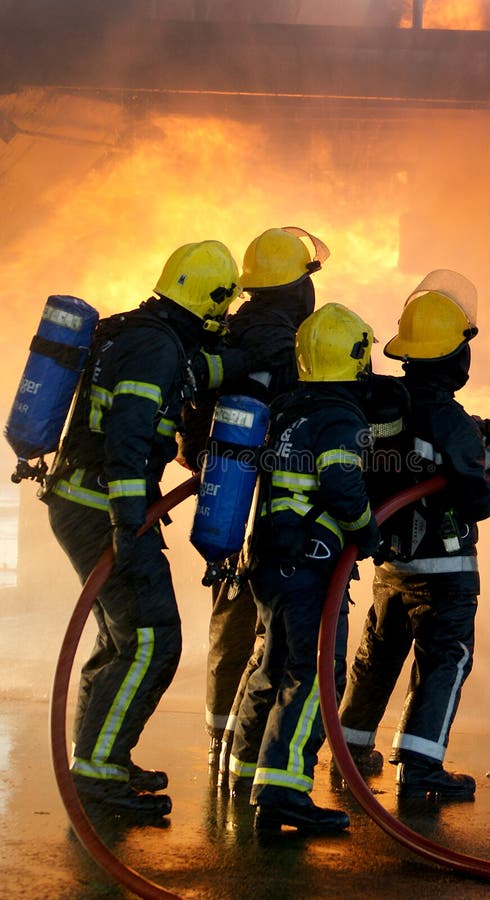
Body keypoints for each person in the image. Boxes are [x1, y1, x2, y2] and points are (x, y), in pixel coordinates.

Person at [45, 240, 254, 820]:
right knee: (151, 639)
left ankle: (99, 760)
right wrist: (127, 522)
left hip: (84, 499)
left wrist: (254, 358)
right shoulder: (155, 348)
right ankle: (98, 779)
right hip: (102, 506)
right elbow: (130, 436)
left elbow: (200, 370)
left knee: (121, 638)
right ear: (208, 298)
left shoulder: (142, 334)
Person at [336, 270, 490, 801]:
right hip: (445, 569)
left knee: (377, 655)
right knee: (445, 658)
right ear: (455, 356)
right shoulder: (445, 416)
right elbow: (479, 498)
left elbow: (432, 434)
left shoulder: (389, 399)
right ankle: (421, 769)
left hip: (390, 561)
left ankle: (349, 753)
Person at [177, 227, 329, 778]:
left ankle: (220, 740)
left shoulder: (225, 332)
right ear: (295, 287)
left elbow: (194, 409)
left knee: (230, 608)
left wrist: (202, 459)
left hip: (228, 494)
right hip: (277, 503)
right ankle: (254, 748)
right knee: (279, 622)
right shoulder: (295, 342)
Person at [228, 302, 382, 833]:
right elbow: (342, 485)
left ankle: (245, 771)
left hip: (270, 562)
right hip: (310, 566)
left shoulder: (288, 408)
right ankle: (283, 789)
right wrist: (367, 529)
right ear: (354, 359)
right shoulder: (339, 417)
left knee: (272, 666)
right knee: (314, 673)